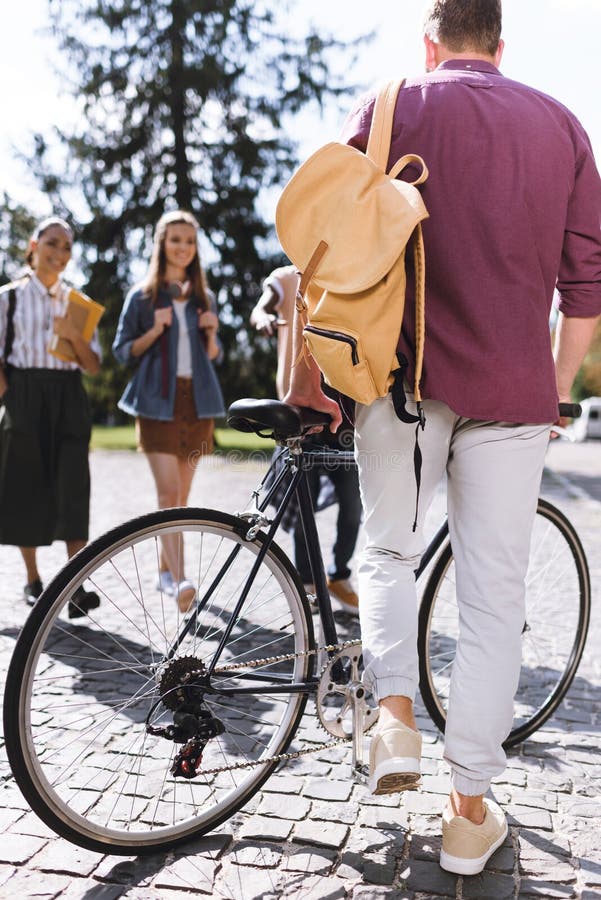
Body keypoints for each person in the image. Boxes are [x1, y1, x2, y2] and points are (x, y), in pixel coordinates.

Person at [283, 0, 601, 876]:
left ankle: (392, 720)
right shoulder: (563, 126)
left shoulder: (392, 105)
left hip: (400, 380)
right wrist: (557, 385)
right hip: (511, 394)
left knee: (384, 551)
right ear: (501, 43)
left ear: (430, 40)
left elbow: (332, 241)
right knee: (493, 596)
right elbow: (585, 287)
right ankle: (469, 814)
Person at [113, 210, 225, 612]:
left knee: (181, 498)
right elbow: (123, 350)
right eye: (176, 239)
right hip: (156, 403)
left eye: (190, 241)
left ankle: (164, 574)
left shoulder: (203, 298)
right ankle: (180, 581)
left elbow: (214, 356)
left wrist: (210, 330)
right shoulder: (142, 297)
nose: (183, 247)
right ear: (162, 244)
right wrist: (155, 329)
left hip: (197, 403)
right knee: (169, 495)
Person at [0, 216, 102, 618]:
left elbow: (92, 364)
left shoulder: (77, 302)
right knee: (28, 484)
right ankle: (32, 579)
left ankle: (76, 587)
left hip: (68, 395)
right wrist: (11, 396)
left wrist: (74, 335)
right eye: (53, 243)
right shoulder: (8, 298)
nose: (60, 253)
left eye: (67, 247)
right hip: (24, 393)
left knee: (73, 486)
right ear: (34, 244)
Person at [251, 265, 362, 614]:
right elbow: (264, 304)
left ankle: (339, 576)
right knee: (305, 506)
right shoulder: (286, 277)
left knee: (353, 502)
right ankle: (307, 584)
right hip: (304, 411)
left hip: (346, 405)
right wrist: (261, 317)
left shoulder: (350, 268)